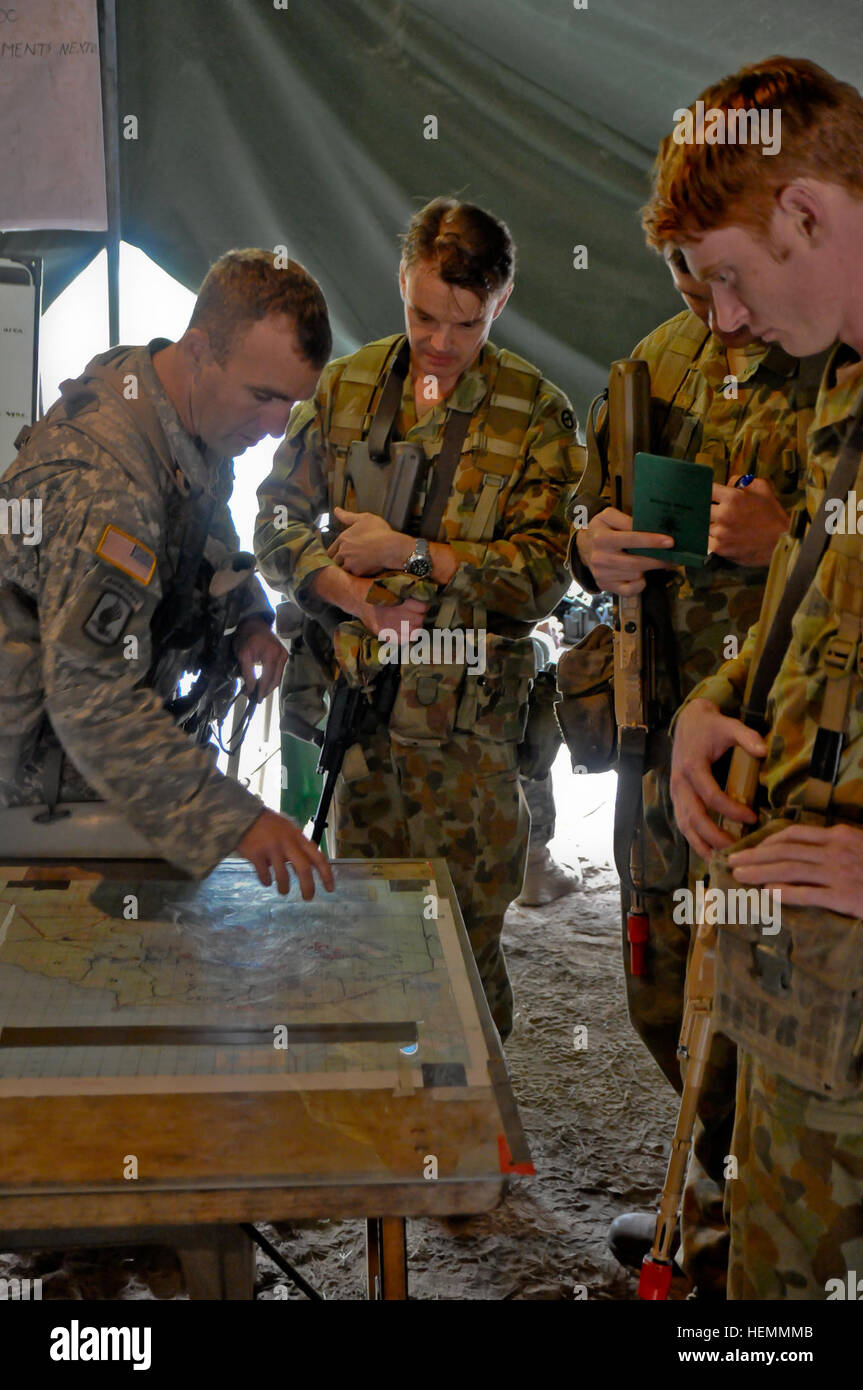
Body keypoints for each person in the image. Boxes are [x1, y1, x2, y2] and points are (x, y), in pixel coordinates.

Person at [255, 198, 580, 1040]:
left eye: (463, 323)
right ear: (400, 282)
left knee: (463, 958)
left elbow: (544, 577)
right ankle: (387, 1133)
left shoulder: (536, 415)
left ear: (499, 303)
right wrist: (348, 591)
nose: (438, 341)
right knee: (366, 938)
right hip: (360, 727)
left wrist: (411, 552)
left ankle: (473, 1150)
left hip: (467, 748)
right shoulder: (348, 386)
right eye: (421, 314)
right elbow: (274, 520)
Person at [643, 55, 863, 1300]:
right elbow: (810, 631)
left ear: (806, 215)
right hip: (803, 1026)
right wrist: (704, 705)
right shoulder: (840, 394)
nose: (717, 320)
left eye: (725, 276)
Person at [570, 240, 827, 1291]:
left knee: (765, 1003)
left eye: (724, 290)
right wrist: (592, 546)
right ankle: (703, 1198)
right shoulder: (652, 367)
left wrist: (789, 539)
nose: (716, 318)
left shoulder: (827, 363)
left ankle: (749, 1232)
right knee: (661, 986)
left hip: (778, 750)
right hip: (656, 723)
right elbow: (578, 519)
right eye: (688, 293)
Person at [0, 249, 333, 901]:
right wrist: (237, 819)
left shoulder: (174, 403)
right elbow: (90, 699)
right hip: (42, 804)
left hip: (100, 781)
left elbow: (205, 530)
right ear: (201, 349)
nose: (274, 428)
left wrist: (250, 615)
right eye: (262, 397)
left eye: (290, 403)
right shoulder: (107, 491)